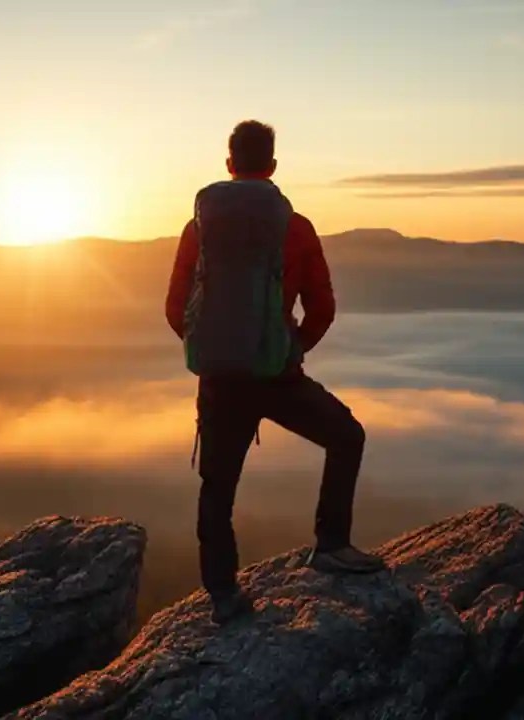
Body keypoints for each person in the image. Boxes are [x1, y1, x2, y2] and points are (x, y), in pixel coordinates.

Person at [165, 120, 385, 625]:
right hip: (277, 377)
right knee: (346, 437)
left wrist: (214, 351)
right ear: (273, 165)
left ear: (229, 164)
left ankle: (223, 594)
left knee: (217, 488)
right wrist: (289, 350)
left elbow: (177, 308)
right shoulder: (296, 226)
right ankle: (332, 545)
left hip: (219, 382)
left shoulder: (199, 229)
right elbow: (322, 308)